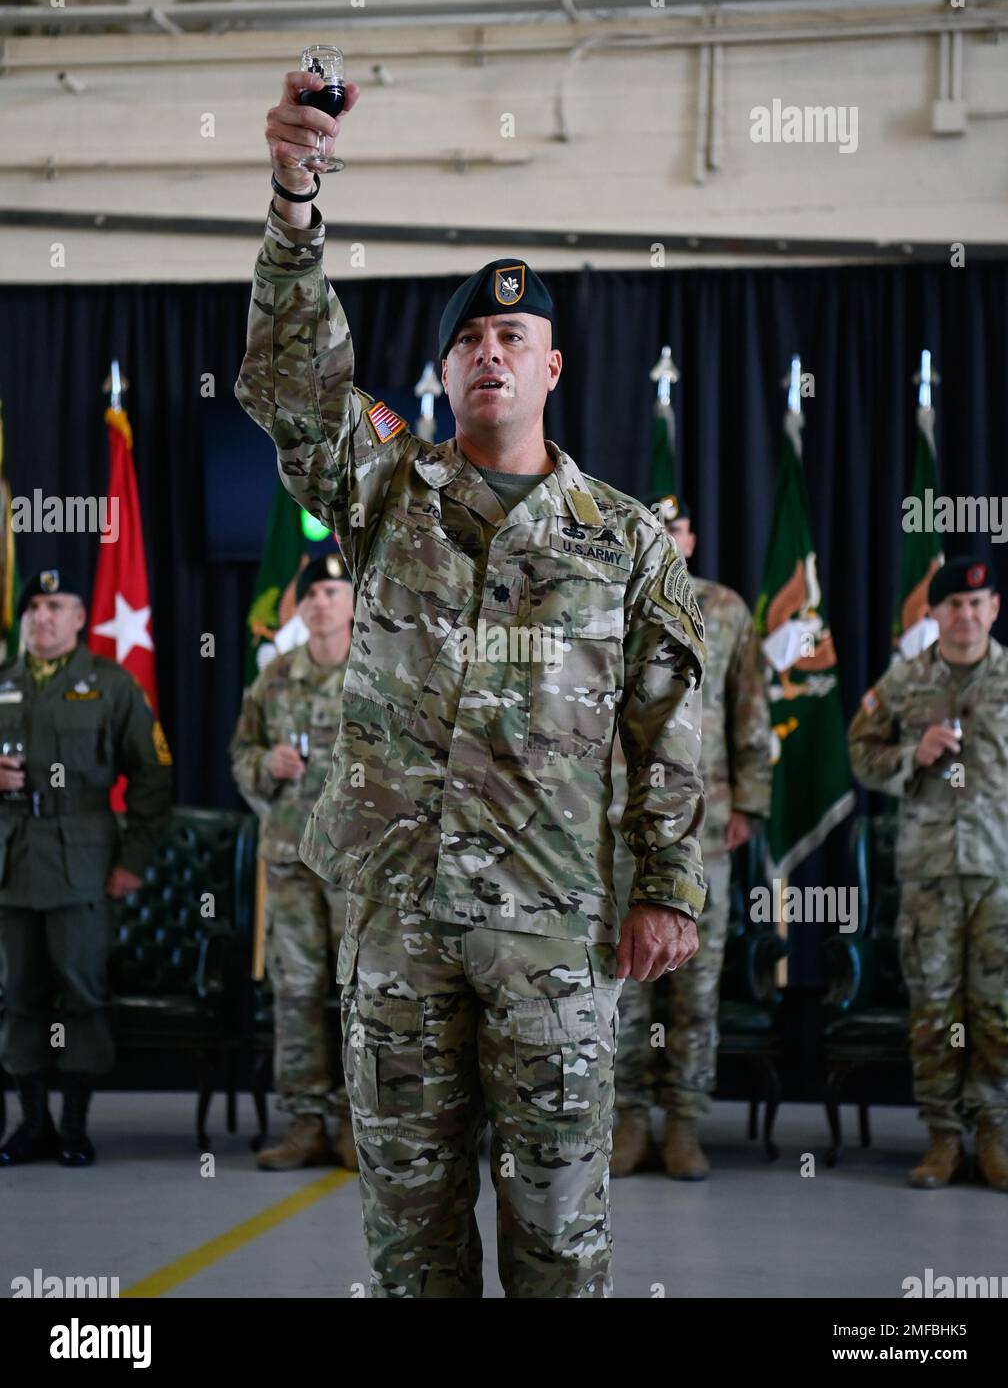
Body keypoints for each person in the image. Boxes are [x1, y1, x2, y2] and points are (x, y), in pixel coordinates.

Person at [235, 70, 708, 1298]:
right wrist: (296, 199)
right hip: (395, 924)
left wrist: (666, 884)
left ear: (553, 369)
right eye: (468, 341)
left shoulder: (624, 537)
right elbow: (293, 394)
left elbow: (667, 722)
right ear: (444, 375)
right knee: (410, 1233)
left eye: (514, 338)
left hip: (554, 931)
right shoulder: (387, 491)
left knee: (558, 1234)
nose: (489, 353)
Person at [612, 494, 771, 1178]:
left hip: (701, 827)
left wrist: (751, 805)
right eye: (653, 526)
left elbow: (750, 708)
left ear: (691, 537)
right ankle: (625, 1118)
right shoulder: (607, 597)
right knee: (621, 979)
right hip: (617, 822)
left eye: (674, 527)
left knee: (695, 983)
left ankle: (682, 1122)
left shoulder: (727, 610)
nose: (665, 537)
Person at [848, 556, 1008, 1193]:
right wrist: (908, 756)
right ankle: (944, 1140)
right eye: (954, 606)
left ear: (994, 608)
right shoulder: (904, 682)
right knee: (935, 1010)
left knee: (999, 1012)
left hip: (1004, 875)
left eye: (978, 605)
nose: (967, 615)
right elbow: (861, 755)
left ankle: (995, 1138)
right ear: (935, 613)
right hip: (930, 876)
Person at [0, 569, 173, 1167]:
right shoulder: (4, 682)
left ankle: (73, 1125)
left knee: (81, 994)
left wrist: (133, 860)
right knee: (18, 994)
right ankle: (31, 1124)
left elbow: (153, 775)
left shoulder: (110, 684)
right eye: (34, 608)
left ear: (79, 618)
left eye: (56, 606)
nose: (42, 617)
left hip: (84, 863)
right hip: (10, 862)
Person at [230, 553, 357, 1170]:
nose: (322, 603)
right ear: (300, 608)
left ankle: (362, 1124)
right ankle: (308, 1121)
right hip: (288, 859)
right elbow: (241, 755)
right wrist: (264, 767)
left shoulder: (379, 673)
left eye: (333, 591)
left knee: (363, 995)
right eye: (312, 595)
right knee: (297, 991)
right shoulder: (274, 679)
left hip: (358, 868)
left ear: (353, 602)